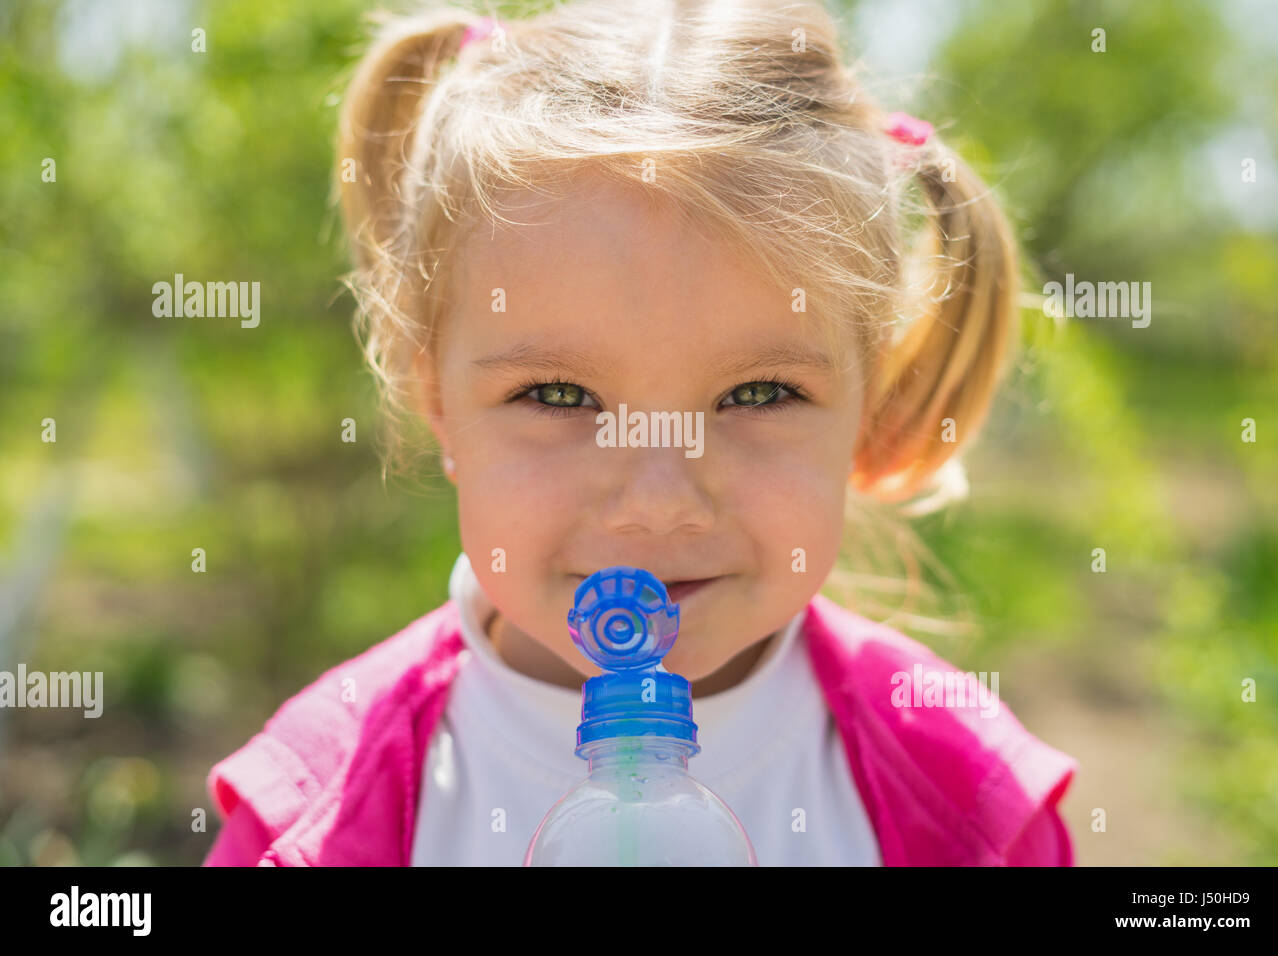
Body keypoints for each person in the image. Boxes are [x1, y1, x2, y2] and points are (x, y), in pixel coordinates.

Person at [203, 0, 1076, 866]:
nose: (658, 504)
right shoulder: (318, 818)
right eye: (557, 393)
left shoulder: (966, 802)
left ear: (871, 407)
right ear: (434, 397)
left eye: (758, 393)